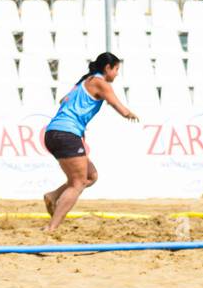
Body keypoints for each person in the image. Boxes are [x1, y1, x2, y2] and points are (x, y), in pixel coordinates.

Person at [41, 52, 137, 232]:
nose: (117, 74)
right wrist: (129, 113)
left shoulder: (84, 82)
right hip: (66, 133)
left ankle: (53, 196)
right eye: (116, 69)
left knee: (90, 176)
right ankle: (51, 228)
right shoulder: (100, 82)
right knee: (78, 183)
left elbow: (63, 100)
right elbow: (120, 107)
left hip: (54, 132)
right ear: (107, 68)